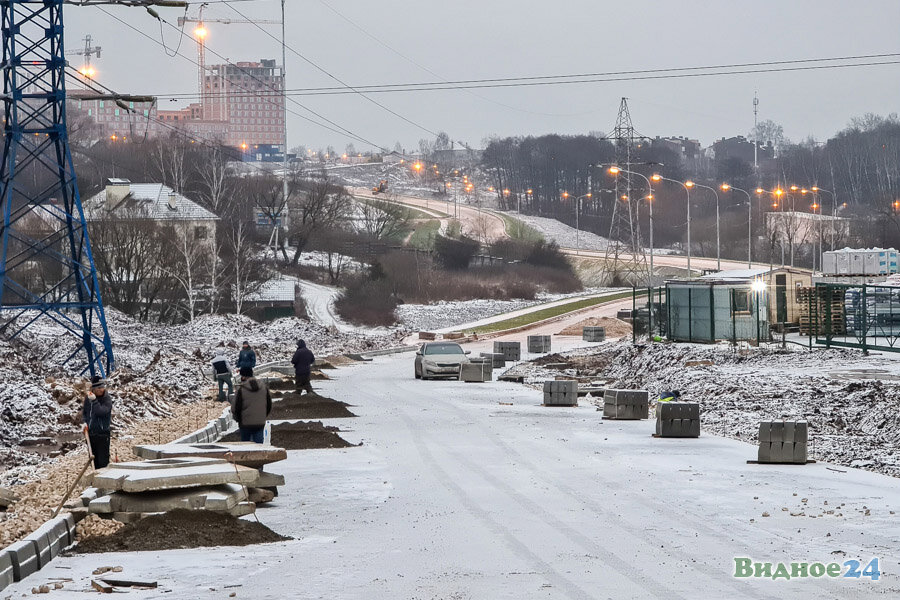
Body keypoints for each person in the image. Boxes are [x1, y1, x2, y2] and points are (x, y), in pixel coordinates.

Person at [232, 366, 272, 444]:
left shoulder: (241, 390)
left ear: (243, 376)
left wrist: (238, 419)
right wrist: (263, 415)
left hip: (245, 423)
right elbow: (269, 404)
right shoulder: (264, 387)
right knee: (259, 446)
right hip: (260, 422)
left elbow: (235, 407)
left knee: (246, 447)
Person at [82, 376, 113, 469]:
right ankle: (95, 478)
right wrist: (84, 422)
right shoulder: (88, 399)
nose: (101, 390)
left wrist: (94, 401)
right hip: (91, 434)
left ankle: (104, 480)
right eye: (99, 388)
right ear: (94, 389)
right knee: (93, 460)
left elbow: (101, 412)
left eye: (102, 387)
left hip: (103, 434)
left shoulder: (107, 399)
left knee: (103, 461)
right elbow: (85, 412)